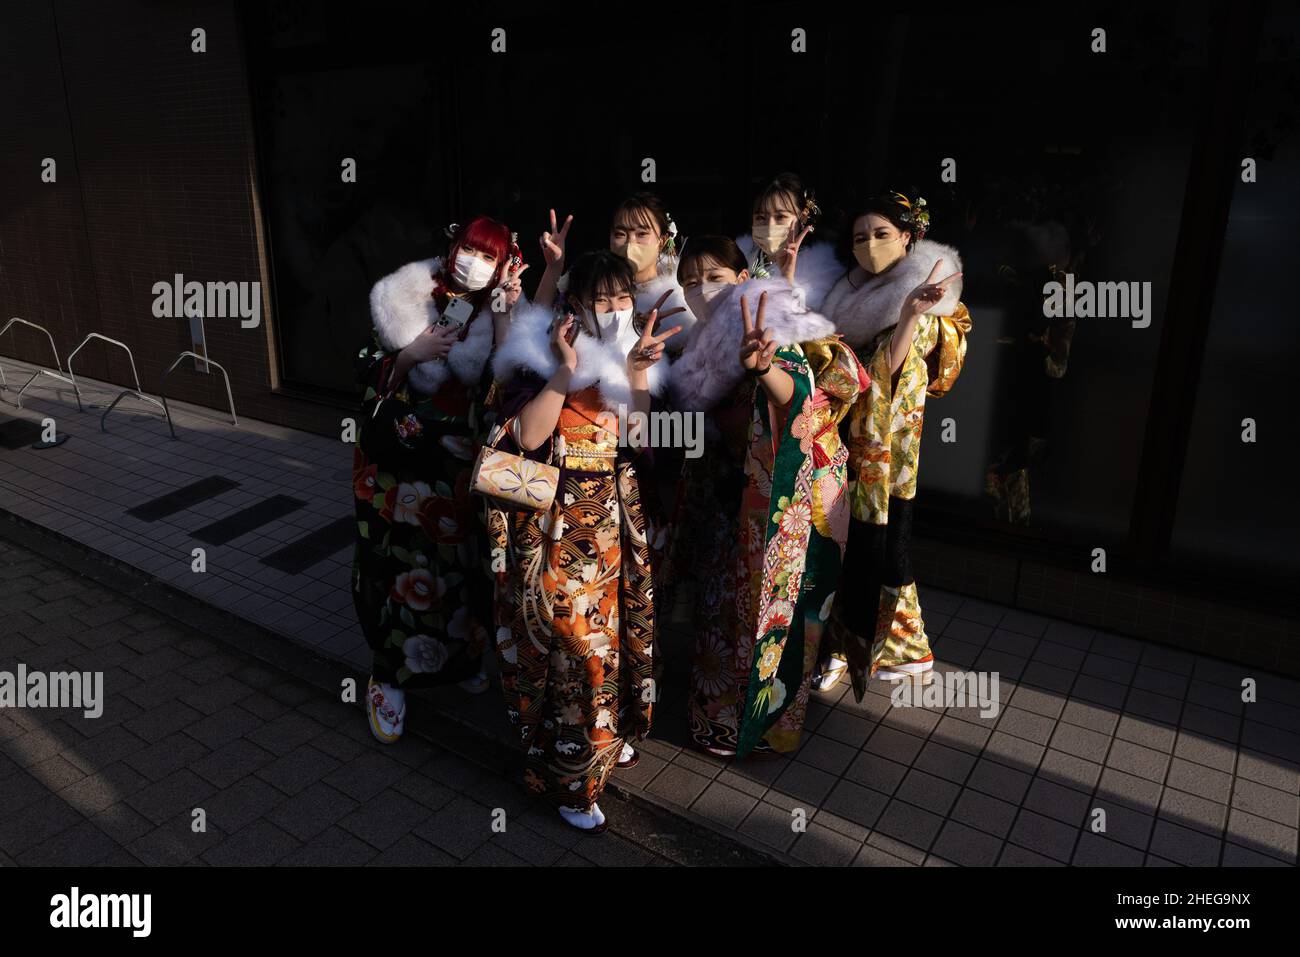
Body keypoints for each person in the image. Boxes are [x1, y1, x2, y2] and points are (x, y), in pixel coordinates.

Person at [486, 251, 680, 831]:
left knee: (612, 644)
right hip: (555, 533)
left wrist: (639, 372)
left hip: (613, 532)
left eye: (624, 298)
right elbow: (527, 434)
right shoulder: (540, 355)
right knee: (573, 650)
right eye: (603, 299)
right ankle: (573, 780)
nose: (617, 309)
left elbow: (640, 439)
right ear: (574, 304)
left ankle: (605, 737)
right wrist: (564, 370)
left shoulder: (628, 360)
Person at [671, 236, 867, 756]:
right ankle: (717, 716)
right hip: (733, 489)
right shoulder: (702, 337)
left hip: (786, 495)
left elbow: (797, 395)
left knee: (771, 604)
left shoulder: (767, 319)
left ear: (741, 278)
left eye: (713, 277)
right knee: (725, 606)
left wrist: (762, 368)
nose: (700, 290)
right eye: (689, 281)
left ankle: (755, 726)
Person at [352, 216, 526, 744]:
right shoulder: (404, 293)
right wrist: (410, 355)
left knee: (464, 565)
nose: (474, 261)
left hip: (461, 466)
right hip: (399, 469)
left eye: (488, 255)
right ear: (452, 245)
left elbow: (510, 380)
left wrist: (506, 315)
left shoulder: (497, 303)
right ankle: (389, 679)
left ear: (503, 265)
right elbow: (364, 364)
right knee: (397, 564)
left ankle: (460, 660)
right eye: (469, 249)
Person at [817, 191, 972, 693]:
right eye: (860, 237)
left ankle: (847, 648)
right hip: (832, 433)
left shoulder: (932, 294)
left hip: (880, 451)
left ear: (909, 236)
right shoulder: (843, 293)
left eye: (882, 234)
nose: (870, 245)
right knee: (829, 542)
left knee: (871, 547)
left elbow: (895, 373)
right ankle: (841, 642)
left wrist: (908, 315)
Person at [738, 172, 846, 311]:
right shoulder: (738, 258)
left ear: (803, 217)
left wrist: (786, 282)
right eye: (760, 218)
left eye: (780, 216)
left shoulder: (823, 272)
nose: (770, 226)